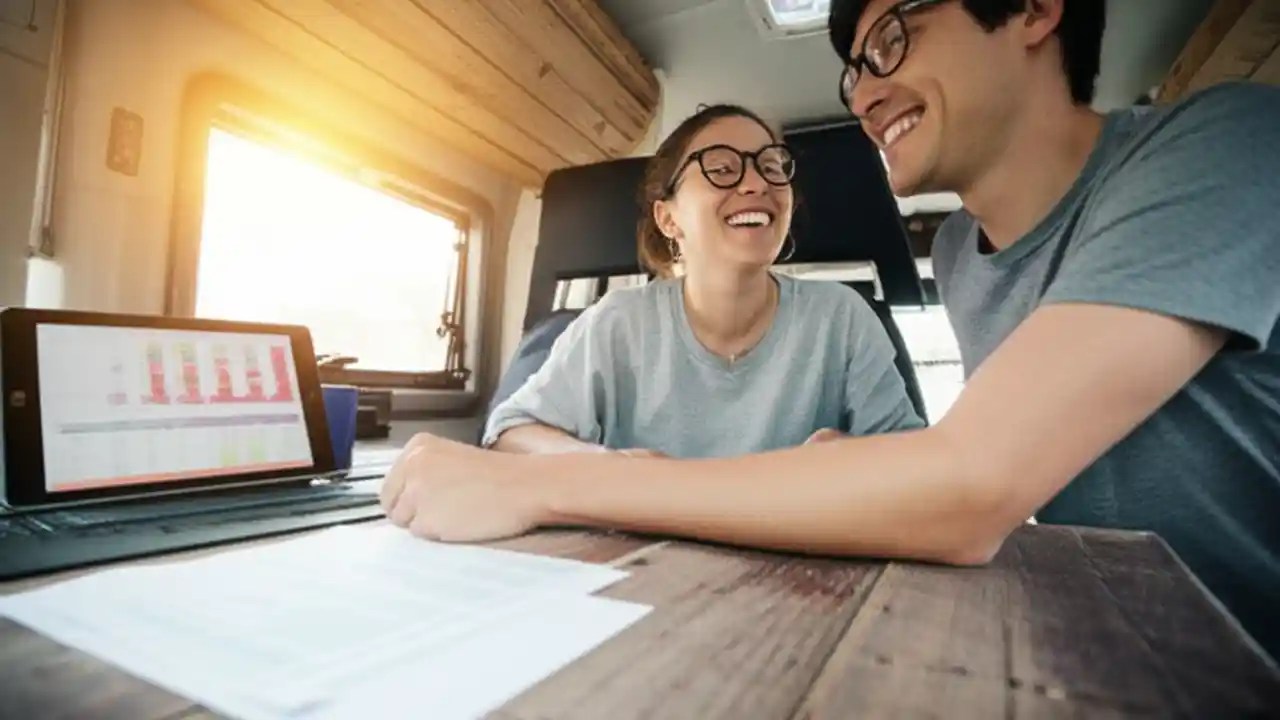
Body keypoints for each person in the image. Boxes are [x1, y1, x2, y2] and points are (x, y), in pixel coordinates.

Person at [380, 0, 1280, 659]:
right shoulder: (965, 253)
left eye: (892, 37)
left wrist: (561, 488)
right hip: (1111, 640)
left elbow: (960, 483)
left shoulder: (1228, 140)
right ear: (667, 217)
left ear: (1036, 10)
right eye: (856, 66)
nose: (865, 91)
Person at [484, 103, 923, 458]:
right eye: (721, 167)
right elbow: (510, 432)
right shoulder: (619, 323)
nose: (756, 183)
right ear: (669, 218)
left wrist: (857, 461)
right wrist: (603, 464)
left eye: (771, 166)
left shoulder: (841, 318)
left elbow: (911, 462)